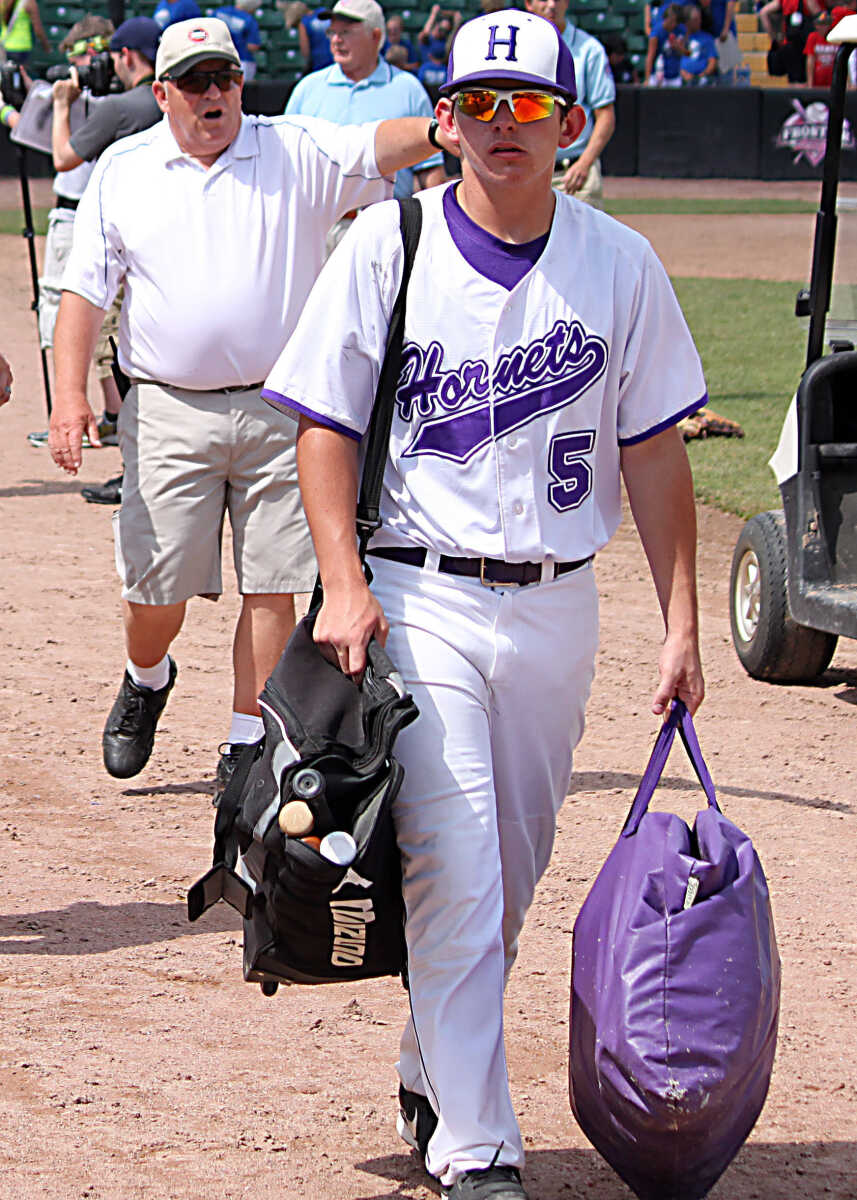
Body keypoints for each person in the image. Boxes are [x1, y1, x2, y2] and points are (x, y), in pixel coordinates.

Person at [263, 11, 706, 1198]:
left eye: (529, 106)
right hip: (420, 595)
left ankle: (431, 1065)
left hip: (558, 606)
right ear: (444, 120)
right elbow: (323, 426)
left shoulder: (619, 262)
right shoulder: (387, 242)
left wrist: (679, 624)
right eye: (479, 104)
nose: (503, 124)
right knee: (453, 859)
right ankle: (478, 1148)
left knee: (506, 878)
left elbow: (653, 450)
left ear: (571, 125)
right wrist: (344, 584)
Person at [47, 16, 452, 792]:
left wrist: (445, 128)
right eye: (194, 81)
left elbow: (375, 148)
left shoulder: (290, 148)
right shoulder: (125, 169)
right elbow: (84, 294)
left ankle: (245, 741)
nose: (213, 93)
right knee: (154, 590)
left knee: (273, 582)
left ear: (240, 83)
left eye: (224, 77)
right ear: (161, 93)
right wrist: (70, 398)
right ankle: (147, 674)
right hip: (168, 407)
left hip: (282, 407)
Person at [50, 15, 163, 506]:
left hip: (122, 248)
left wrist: (61, 106)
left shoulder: (118, 107)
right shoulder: (171, 104)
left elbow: (62, 157)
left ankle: (133, 467)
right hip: (165, 249)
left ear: (126, 56)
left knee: (119, 357)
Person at [286, 0, 445, 205]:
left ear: (375, 36)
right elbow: (286, 163)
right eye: (332, 32)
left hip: (389, 217)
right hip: (320, 218)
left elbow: (430, 170)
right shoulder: (307, 89)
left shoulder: (409, 89)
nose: (336, 40)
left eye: (346, 32)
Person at [524, 0, 615, 204]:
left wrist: (585, 163)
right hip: (527, 173)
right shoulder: (517, 50)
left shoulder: (589, 49)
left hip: (575, 172)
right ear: (529, 3)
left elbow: (606, 115)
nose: (551, 5)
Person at [761, 0, 821, 83]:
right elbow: (820, 16)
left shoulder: (782, 1)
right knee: (803, 81)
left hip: (788, 44)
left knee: (793, 80)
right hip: (803, 46)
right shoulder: (807, 1)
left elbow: (763, 13)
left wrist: (774, 37)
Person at [213, 0, 261, 80]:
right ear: (252, 8)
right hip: (241, 61)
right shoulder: (249, 20)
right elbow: (253, 46)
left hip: (217, 57)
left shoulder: (219, 12)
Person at [645, 2, 686, 85]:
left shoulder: (681, 30)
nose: (673, 24)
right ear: (665, 18)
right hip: (657, 73)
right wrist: (647, 79)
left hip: (674, 75)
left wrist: (678, 47)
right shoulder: (656, 32)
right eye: (671, 21)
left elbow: (687, 53)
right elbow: (650, 56)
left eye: (675, 22)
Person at [0, 0, 49, 64]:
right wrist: (46, 46)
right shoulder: (29, 2)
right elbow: (38, 30)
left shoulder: (2, 2)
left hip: (4, 48)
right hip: (22, 48)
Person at [680, 3, 719, 83]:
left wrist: (702, 75)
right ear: (688, 21)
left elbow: (712, 61)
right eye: (695, 20)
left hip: (702, 80)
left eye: (699, 19)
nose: (699, 22)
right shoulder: (681, 38)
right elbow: (677, 58)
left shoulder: (707, 38)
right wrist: (684, 74)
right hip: (681, 79)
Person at [804, 9, 836, 86]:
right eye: (820, 24)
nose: (822, 27)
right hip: (817, 82)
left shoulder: (836, 38)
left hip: (834, 82)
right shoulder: (812, 37)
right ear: (815, 25)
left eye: (825, 24)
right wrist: (810, 83)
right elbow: (810, 60)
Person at [298, 3, 333, 69]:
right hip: (335, 62)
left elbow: (305, 52)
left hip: (319, 64)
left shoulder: (304, 22)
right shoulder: (331, 15)